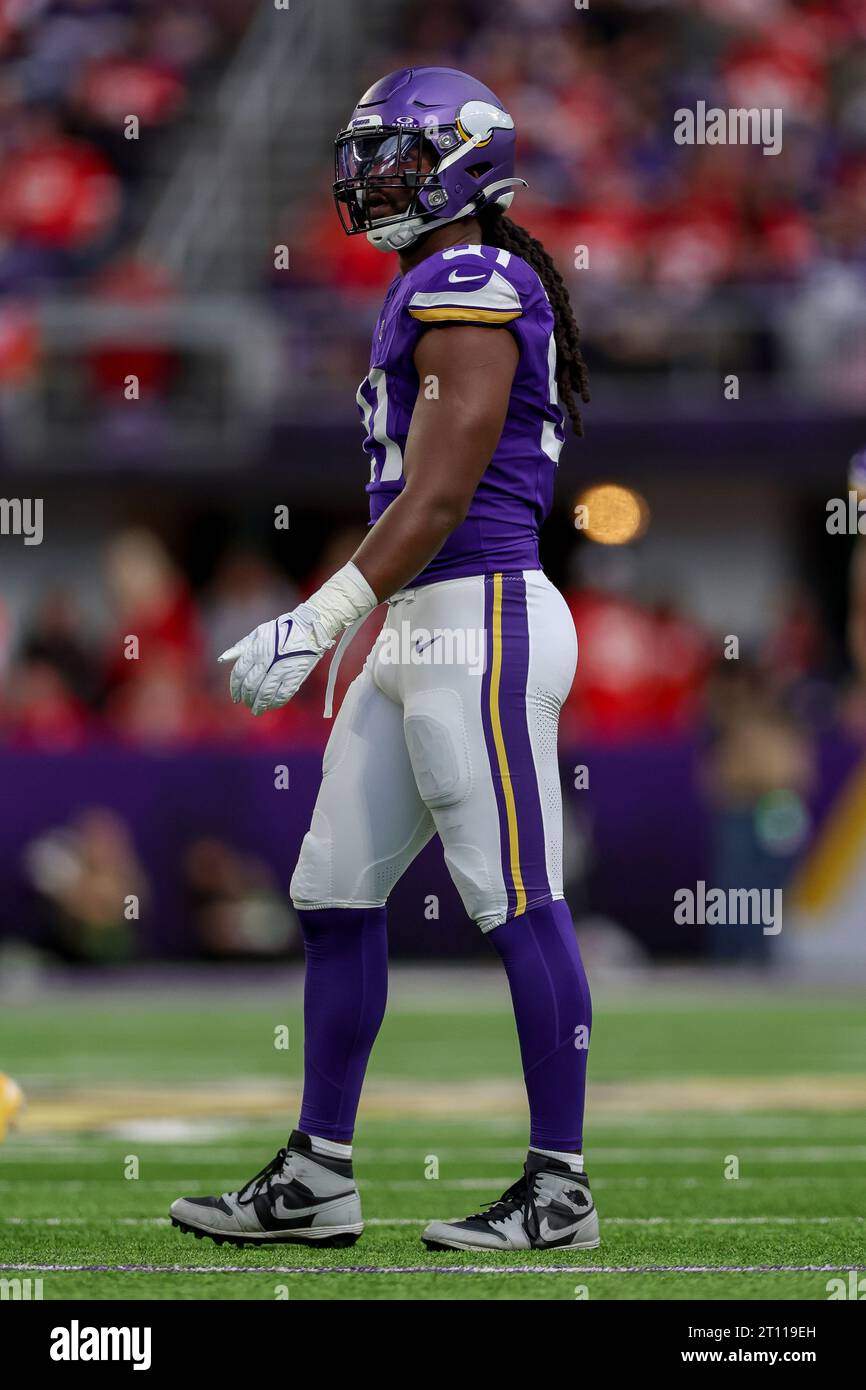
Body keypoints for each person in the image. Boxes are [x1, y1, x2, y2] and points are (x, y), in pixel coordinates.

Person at [170, 66, 597, 1254]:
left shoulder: (474, 274)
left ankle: (558, 1185)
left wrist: (320, 615)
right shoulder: (428, 278)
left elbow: (445, 486)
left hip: (482, 618)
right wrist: (362, 623)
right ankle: (318, 1174)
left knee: (513, 899)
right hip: (418, 624)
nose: (370, 178)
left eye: (397, 155)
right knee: (329, 892)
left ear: (463, 162)